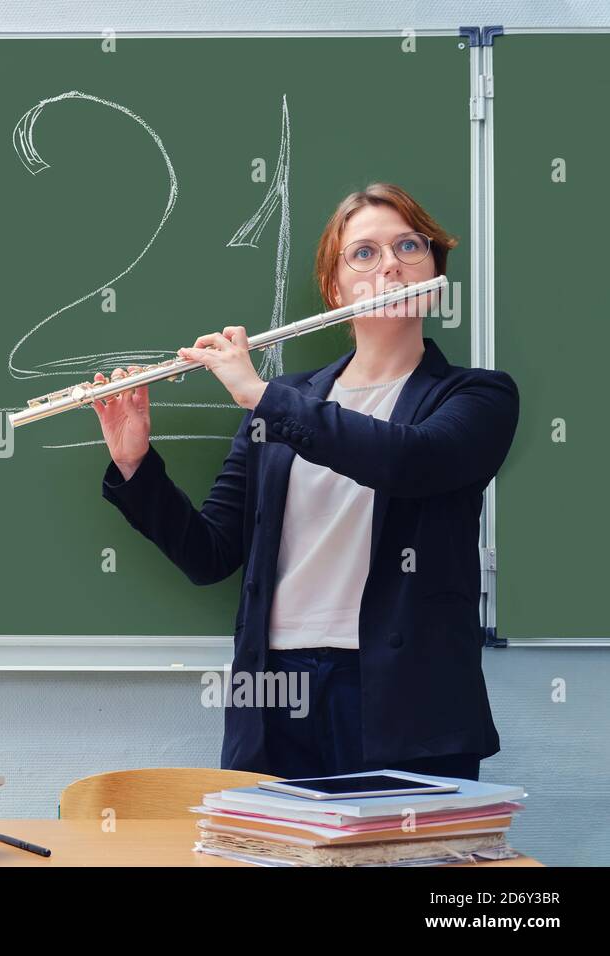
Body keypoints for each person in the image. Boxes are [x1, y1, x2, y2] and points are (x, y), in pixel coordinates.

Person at [94, 183, 519, 781]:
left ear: (435, 272)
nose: (391, 264)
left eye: (408, 246)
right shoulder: (282, 403)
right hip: (274, 692)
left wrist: (259, 394)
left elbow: (408, 461)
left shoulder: (476, 396)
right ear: (333, 287)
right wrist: (136, 464)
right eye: (364, 254)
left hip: (402, 698)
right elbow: (211, 554)